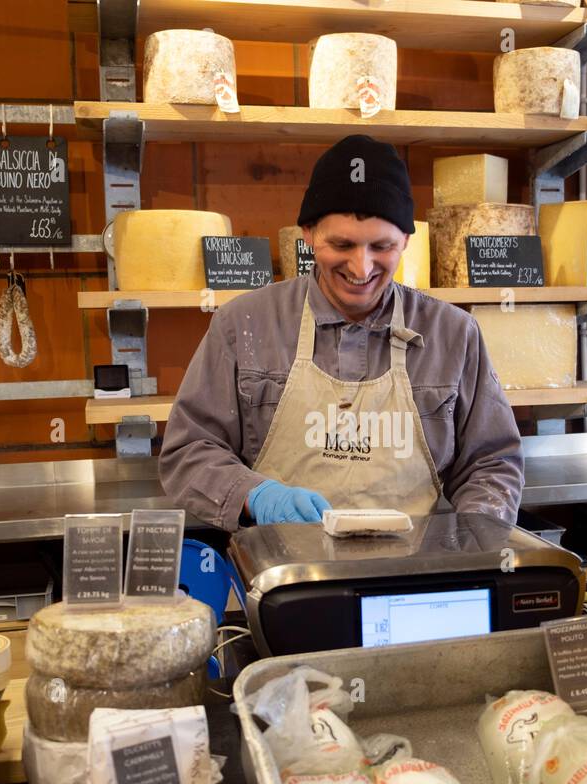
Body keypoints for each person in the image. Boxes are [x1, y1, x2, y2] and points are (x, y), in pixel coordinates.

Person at [159, 135, 523, 529]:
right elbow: (189, 451)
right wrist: (252, 494)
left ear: (405, 240)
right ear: (309, 234)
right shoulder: (243, 324)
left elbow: (492, 463)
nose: (361, 267)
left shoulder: (453, 334)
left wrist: (474, 540)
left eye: (381, 246)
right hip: (283, 577)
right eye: (342, 244)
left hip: (410, 578)